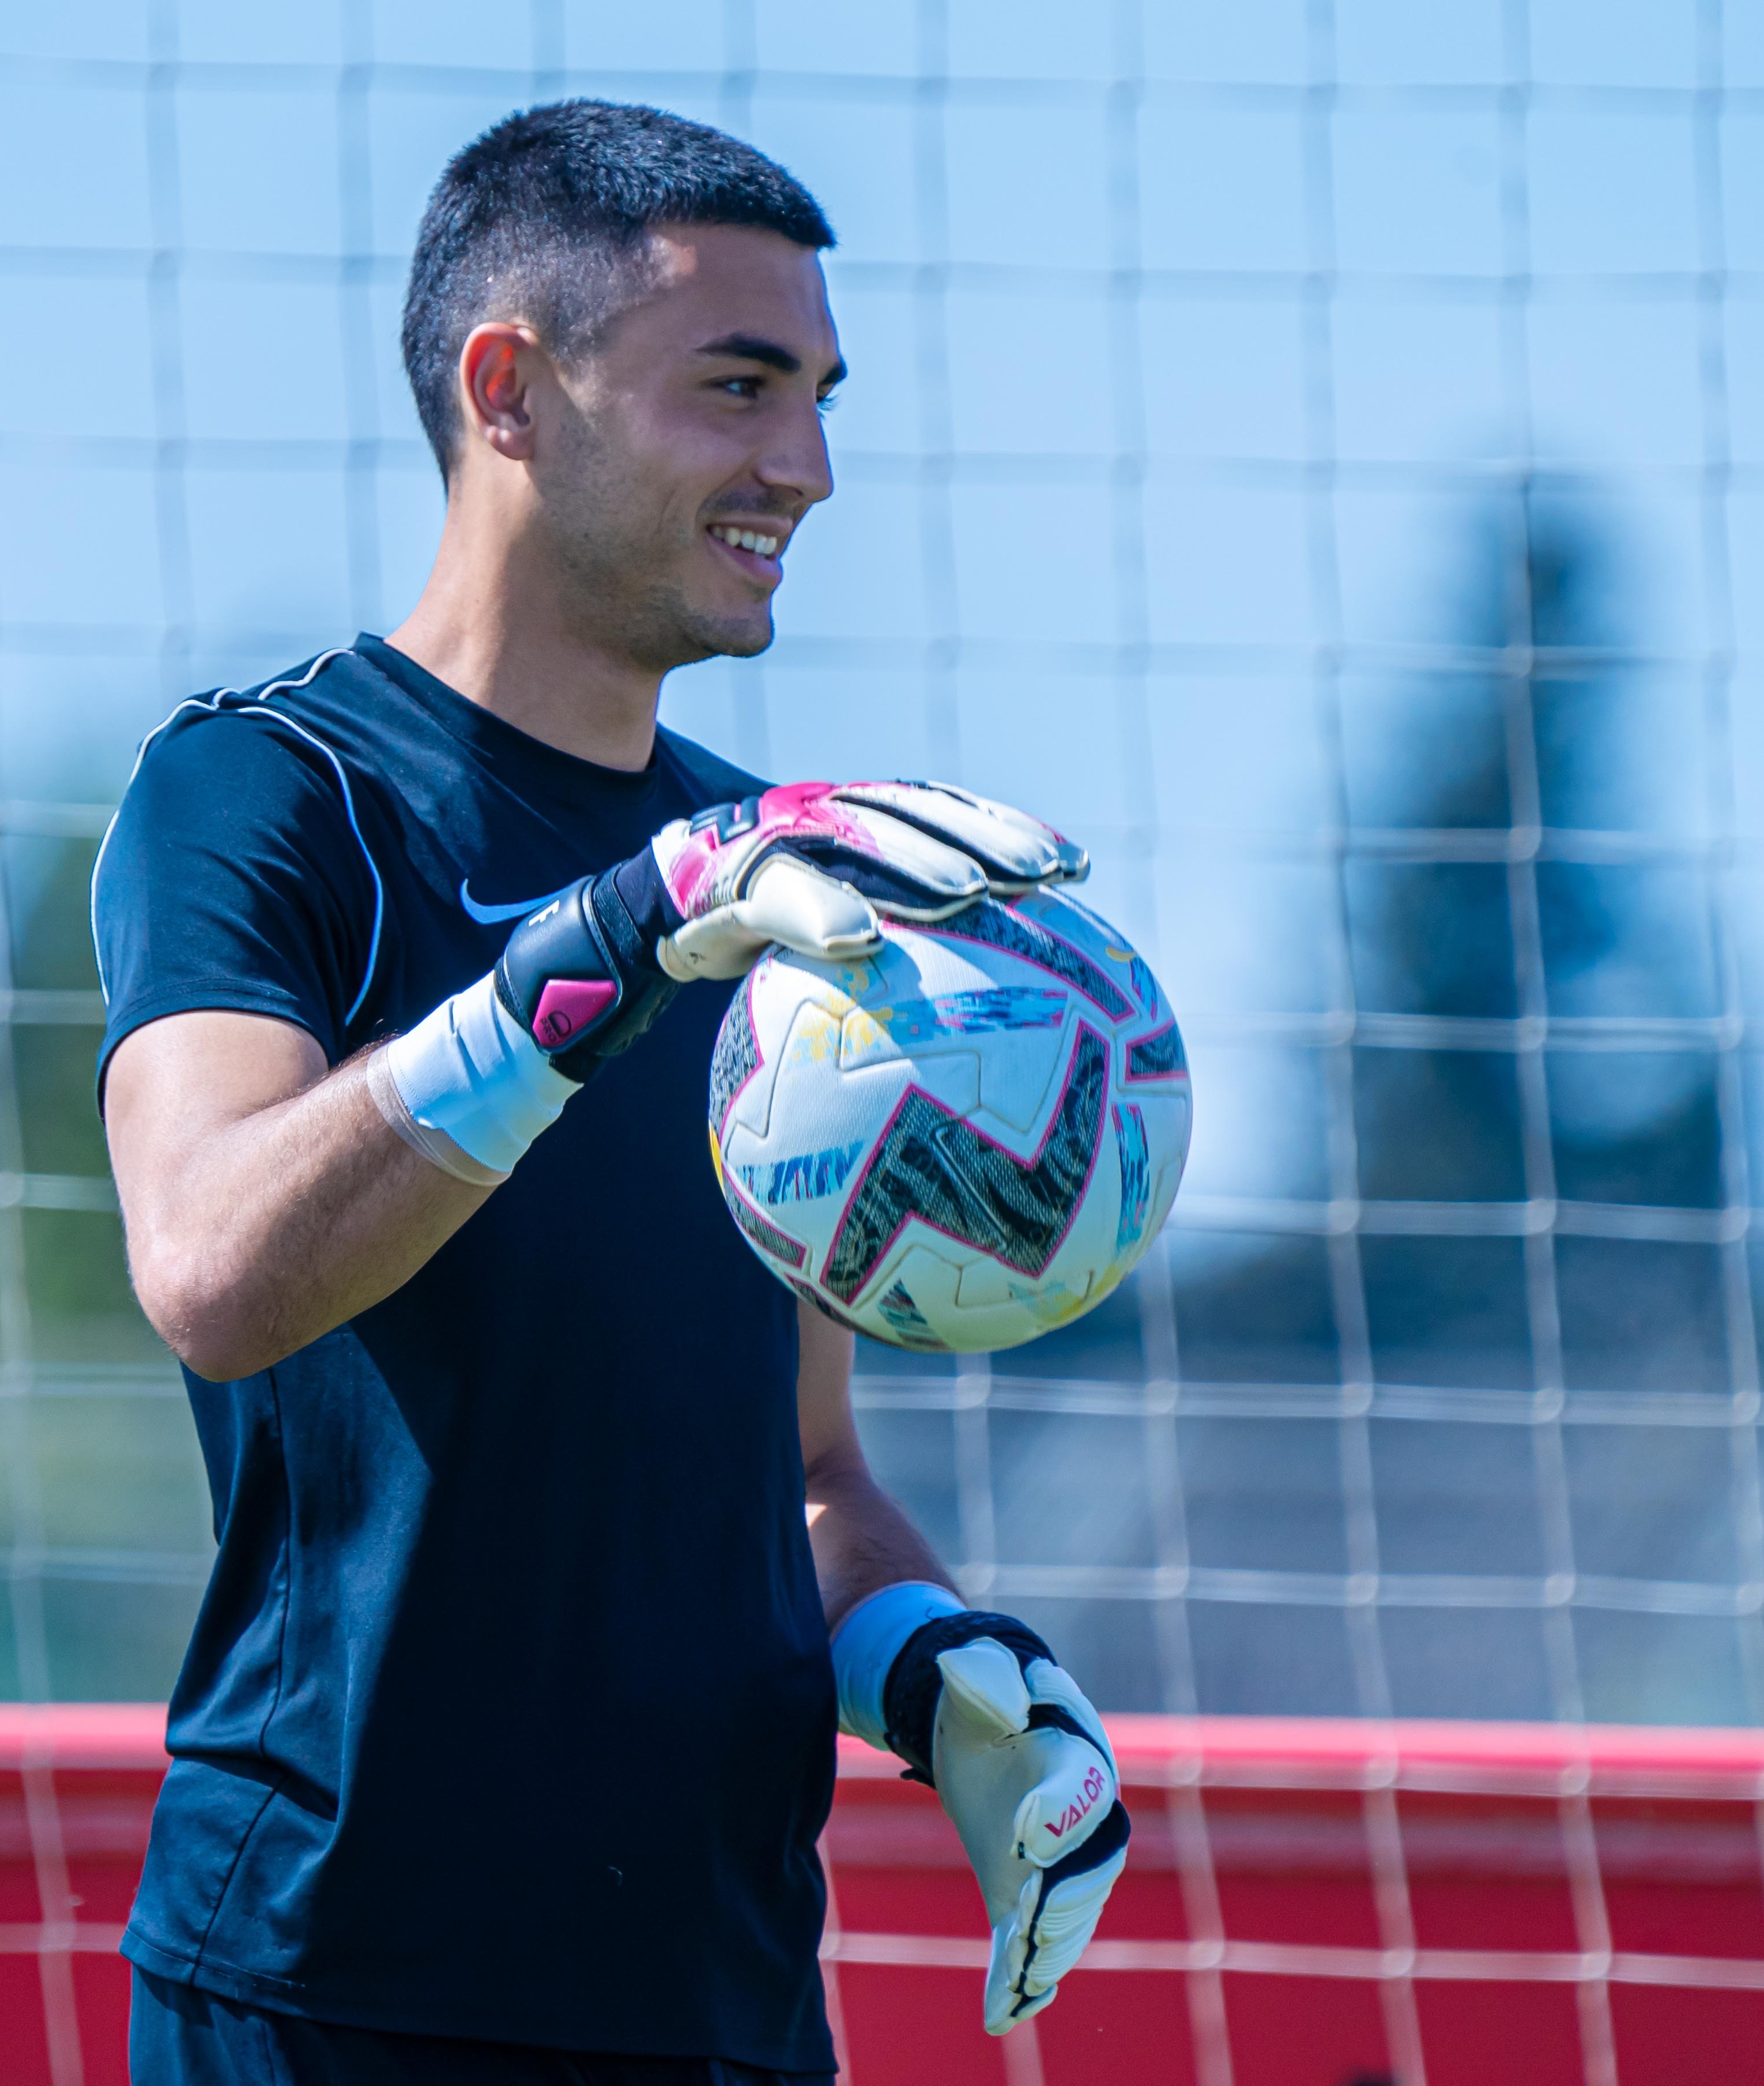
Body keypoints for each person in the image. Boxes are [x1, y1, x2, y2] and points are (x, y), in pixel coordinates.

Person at [91, 100, 1130, 2086]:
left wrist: (936, 1667)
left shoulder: (781, 881)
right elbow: (213, 1267)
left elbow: (804, 1475)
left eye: (821, 396)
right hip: (328, 1995)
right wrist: (610, 948)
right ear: (509, 392)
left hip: (720, 2010)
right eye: (737, 388)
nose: (805, 467)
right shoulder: (267, 795)